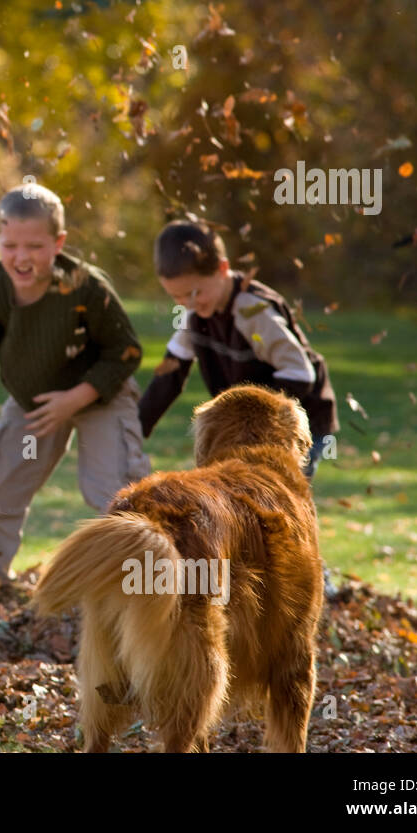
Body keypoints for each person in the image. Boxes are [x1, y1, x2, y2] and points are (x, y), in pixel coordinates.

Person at [0, 183, 152, 583]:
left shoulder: (83, 286)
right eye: (10, 245)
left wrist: (76, 398)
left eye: (35, 246)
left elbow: (126, 351)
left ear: (59, 243)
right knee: (0, 488)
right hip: (35, 408)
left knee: (117, 494)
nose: (21, 258)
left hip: (98, 397)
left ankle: (136, 589)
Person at [138, 220, 340, 597]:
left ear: (222, 269)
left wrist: (254, 417)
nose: (189, 304)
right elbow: (170, 373)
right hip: (245, 426)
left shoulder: (253, 312)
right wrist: (137, 427)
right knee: (242, 498)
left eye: (195, 293)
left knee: (284, 498)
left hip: (298, 421)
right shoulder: (195, 314)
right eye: (178, 298)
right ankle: (247, 578)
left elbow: (301, 373)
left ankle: (311, 579)